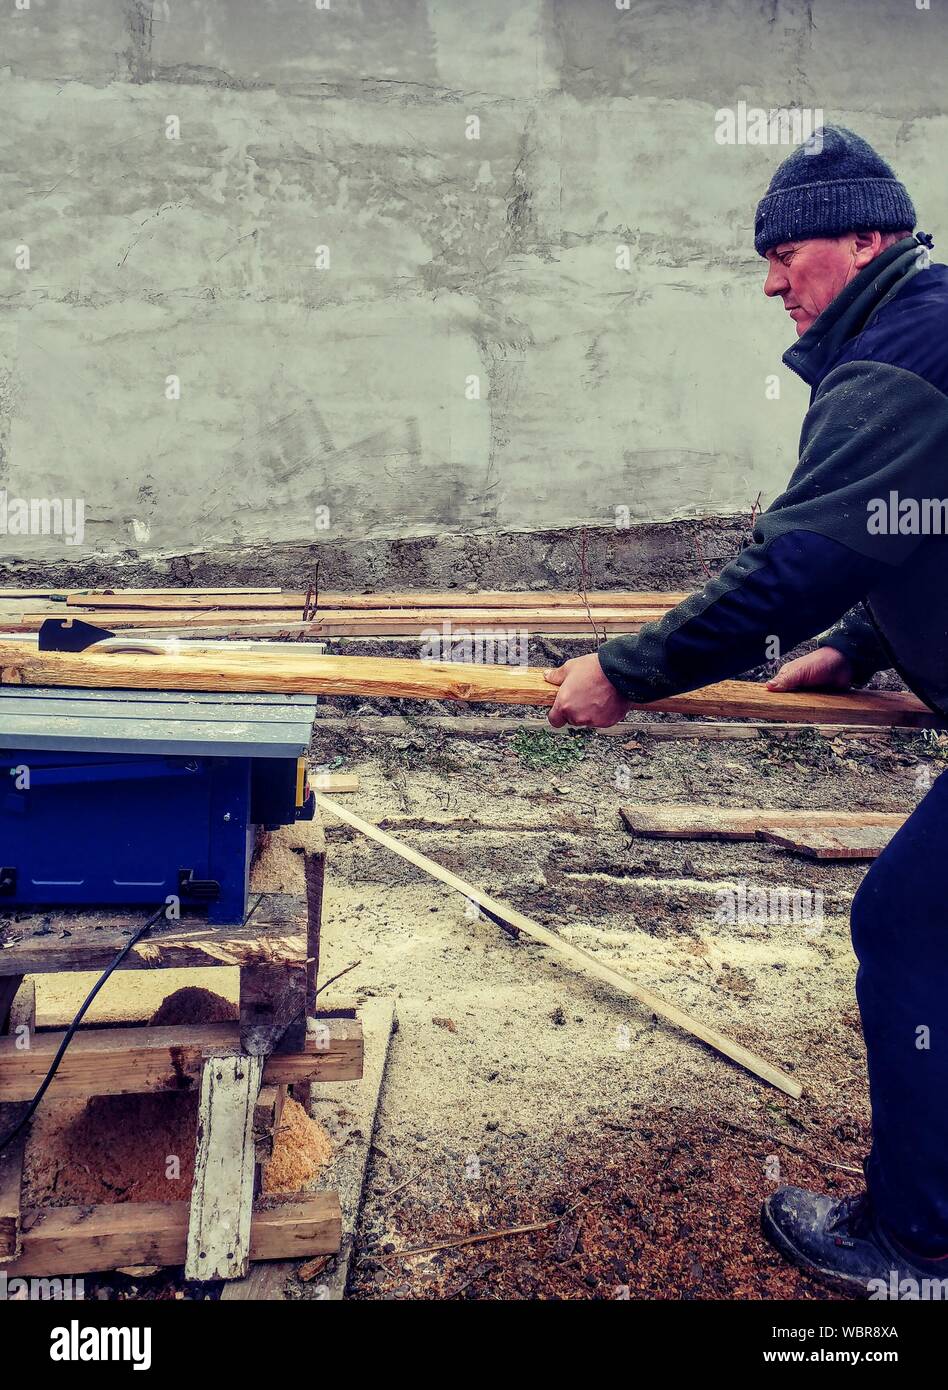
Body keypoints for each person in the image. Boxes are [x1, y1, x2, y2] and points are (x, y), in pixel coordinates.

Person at [544, 126, 948, 1296]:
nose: (771, 283)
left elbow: (797, 561)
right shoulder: (918, 331)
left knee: (909, 927)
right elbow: (914, 527)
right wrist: (862, 642)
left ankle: (915, 1244)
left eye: (785, 255)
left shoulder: (902, 353)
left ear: (864, 240)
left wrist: (626, 671)